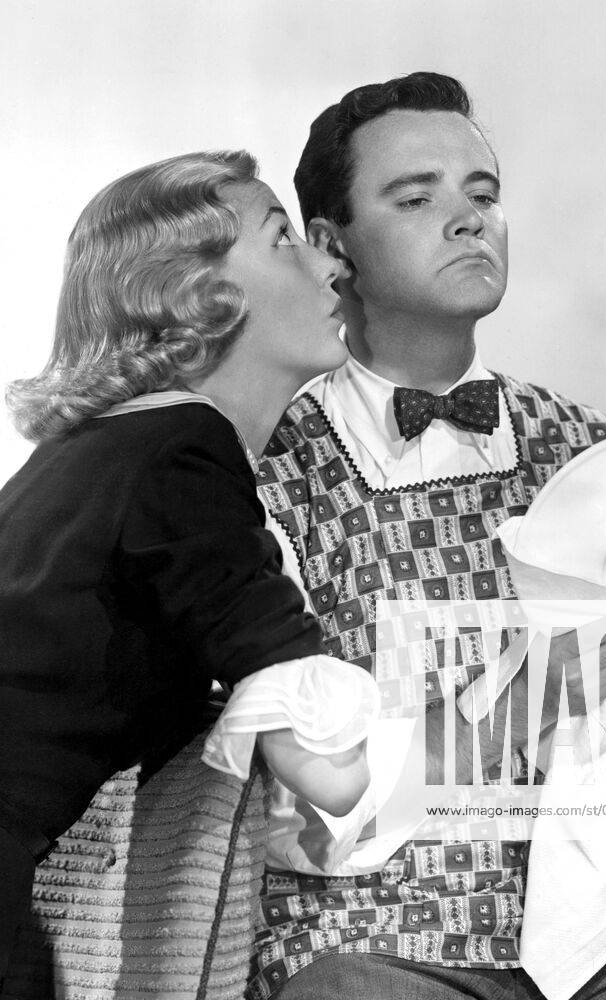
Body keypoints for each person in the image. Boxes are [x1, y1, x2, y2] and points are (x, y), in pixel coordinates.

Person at [246, 73, 606, 999]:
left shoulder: (604, 453)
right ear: (330, 248)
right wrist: (529, 696)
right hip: (375, 946)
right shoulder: (267, 472)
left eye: (484, 194)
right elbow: (286, 807)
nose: (469, 220)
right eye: (418, 199)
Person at [0, 149, 380, 986]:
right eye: (283, 238)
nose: (331, 266)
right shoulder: (184, 449)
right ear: (198, 294)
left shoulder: (89, 455)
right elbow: (326, 771)